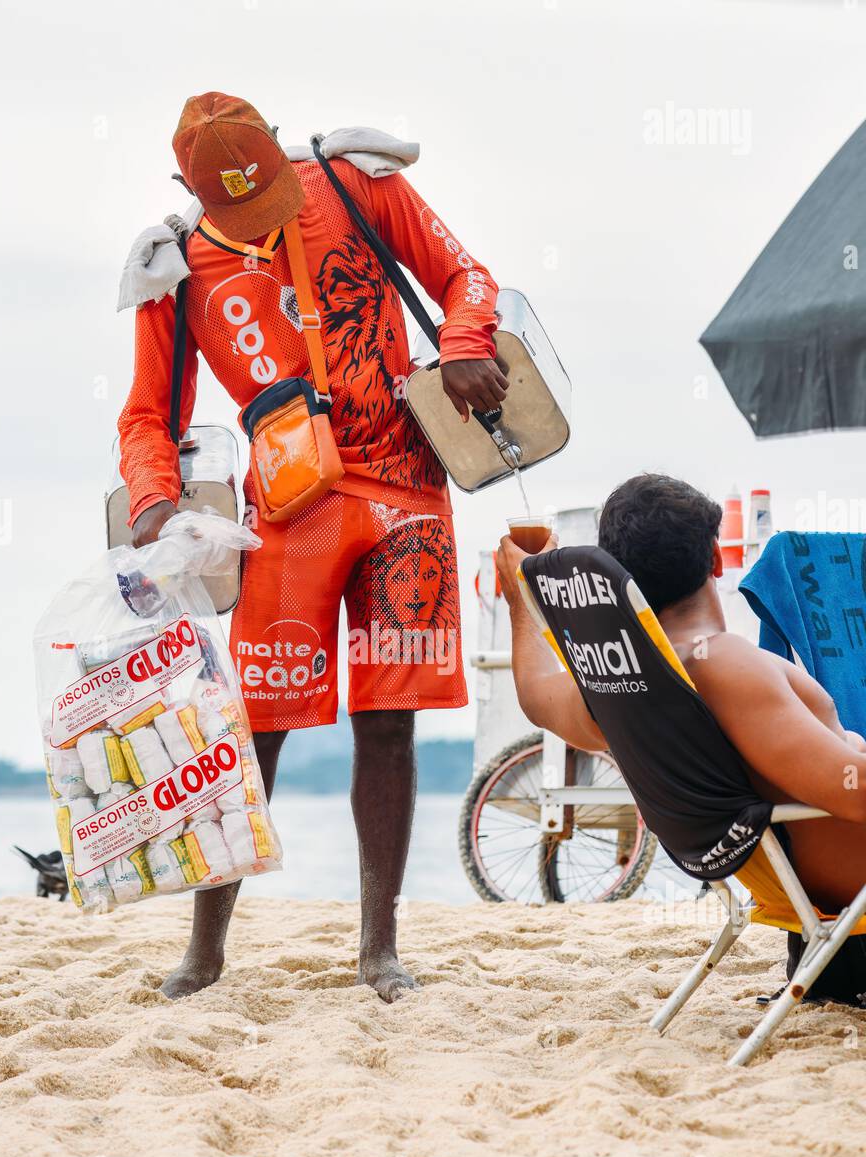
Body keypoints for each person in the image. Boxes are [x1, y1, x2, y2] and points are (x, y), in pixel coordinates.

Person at [118, 92, 508, 1002]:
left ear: (276, 148)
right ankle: (204, 954)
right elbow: (146, 414)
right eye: (237, 211)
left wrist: (461, 340)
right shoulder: (172, 266)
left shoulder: (351, 181)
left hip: (409, 485)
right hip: (290, 508)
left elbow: (467, 275)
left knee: (390, 721)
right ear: (187, 187)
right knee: (255, 729)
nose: (265, 223)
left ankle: (379, 951)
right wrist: (153, 503)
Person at [497, 474, 866, 994]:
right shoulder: (729, 666)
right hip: (844, 886)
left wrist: (522, 599)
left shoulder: (624, 680)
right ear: (715, 559)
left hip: (776, 882)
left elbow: (536, 696)